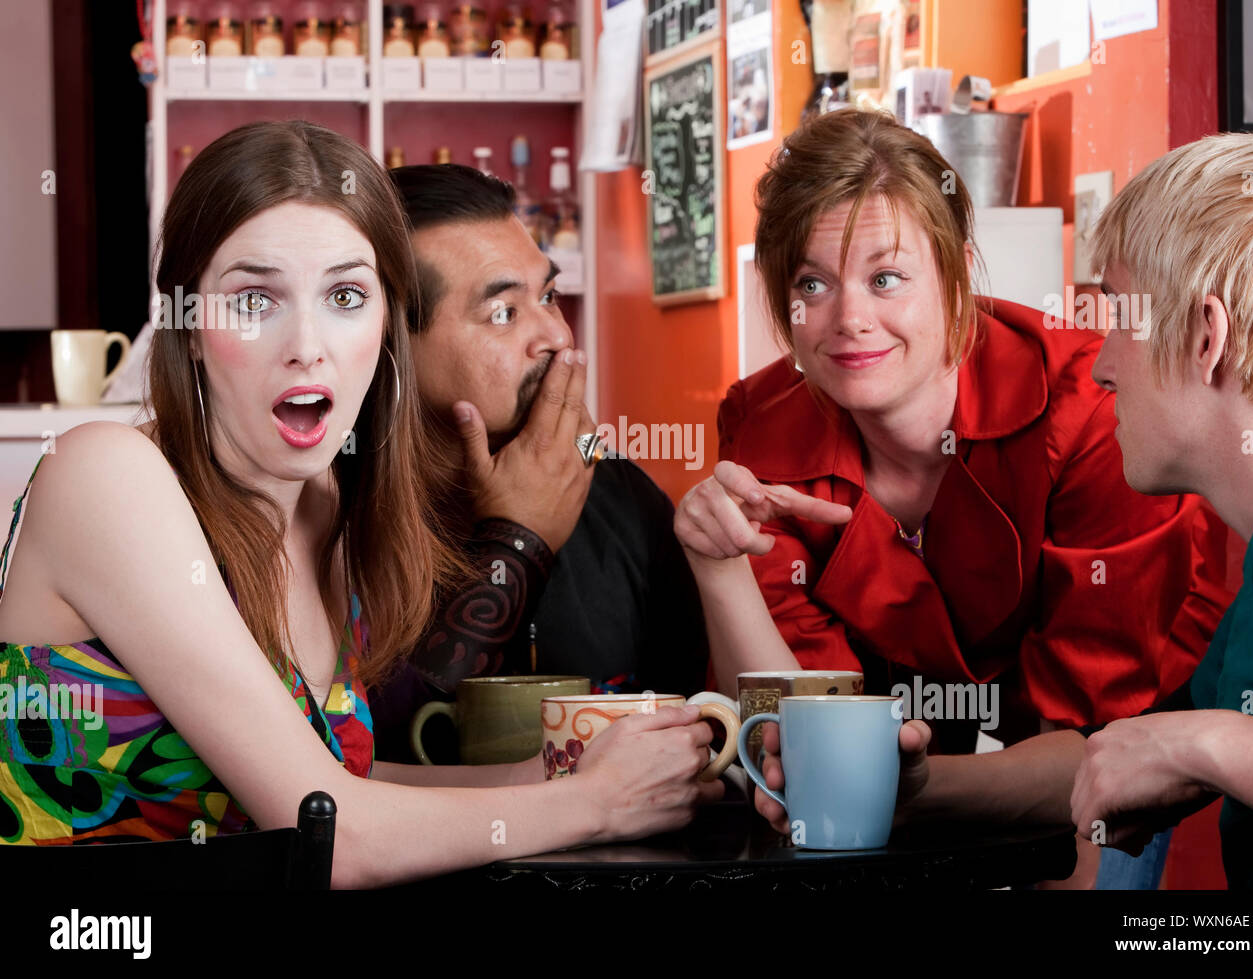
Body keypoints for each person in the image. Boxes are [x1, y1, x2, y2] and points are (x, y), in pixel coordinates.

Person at [0, 121, 722, 885]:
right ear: (187, 326)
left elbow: (355, 786)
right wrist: (597, 803)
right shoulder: (107, 476)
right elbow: (334, 832)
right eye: (254, 298)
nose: (307, 342)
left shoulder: (327, 507)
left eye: (345, 294)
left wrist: (564, 772)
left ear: (386, 327)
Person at [673, 108, 1235, 884]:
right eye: (813, 283)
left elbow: (1100, 748)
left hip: (1098, 757)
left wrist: (906, 787)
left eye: (887, 277)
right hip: (903, 766)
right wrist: (719, 568)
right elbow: (795, 735)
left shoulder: (1092, 412)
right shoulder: (763, 426)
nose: (850, 320)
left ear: (959, 272)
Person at [365, 163, 709, 765]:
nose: (555, 337)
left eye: (549, 296)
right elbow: (358, 760)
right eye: (503, 312)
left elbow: (697, 733)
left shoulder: (623, 497)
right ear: (389, 343)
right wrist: (516, 543)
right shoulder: (328, 522)